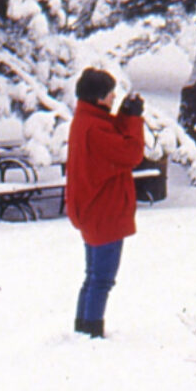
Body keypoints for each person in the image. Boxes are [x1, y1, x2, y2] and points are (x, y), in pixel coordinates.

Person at [65, 67, 144, 338]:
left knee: (93, 277)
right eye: (111, 95)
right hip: (104, 213)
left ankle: (83, 329)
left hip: (94, 211)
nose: (113, 98)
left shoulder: (88, 120)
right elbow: (130, 152)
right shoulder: (95, 128)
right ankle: (91, 333)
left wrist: (124, 115)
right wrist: (134, 119)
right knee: (102, 279)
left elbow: (114, 140)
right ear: (99, 98)